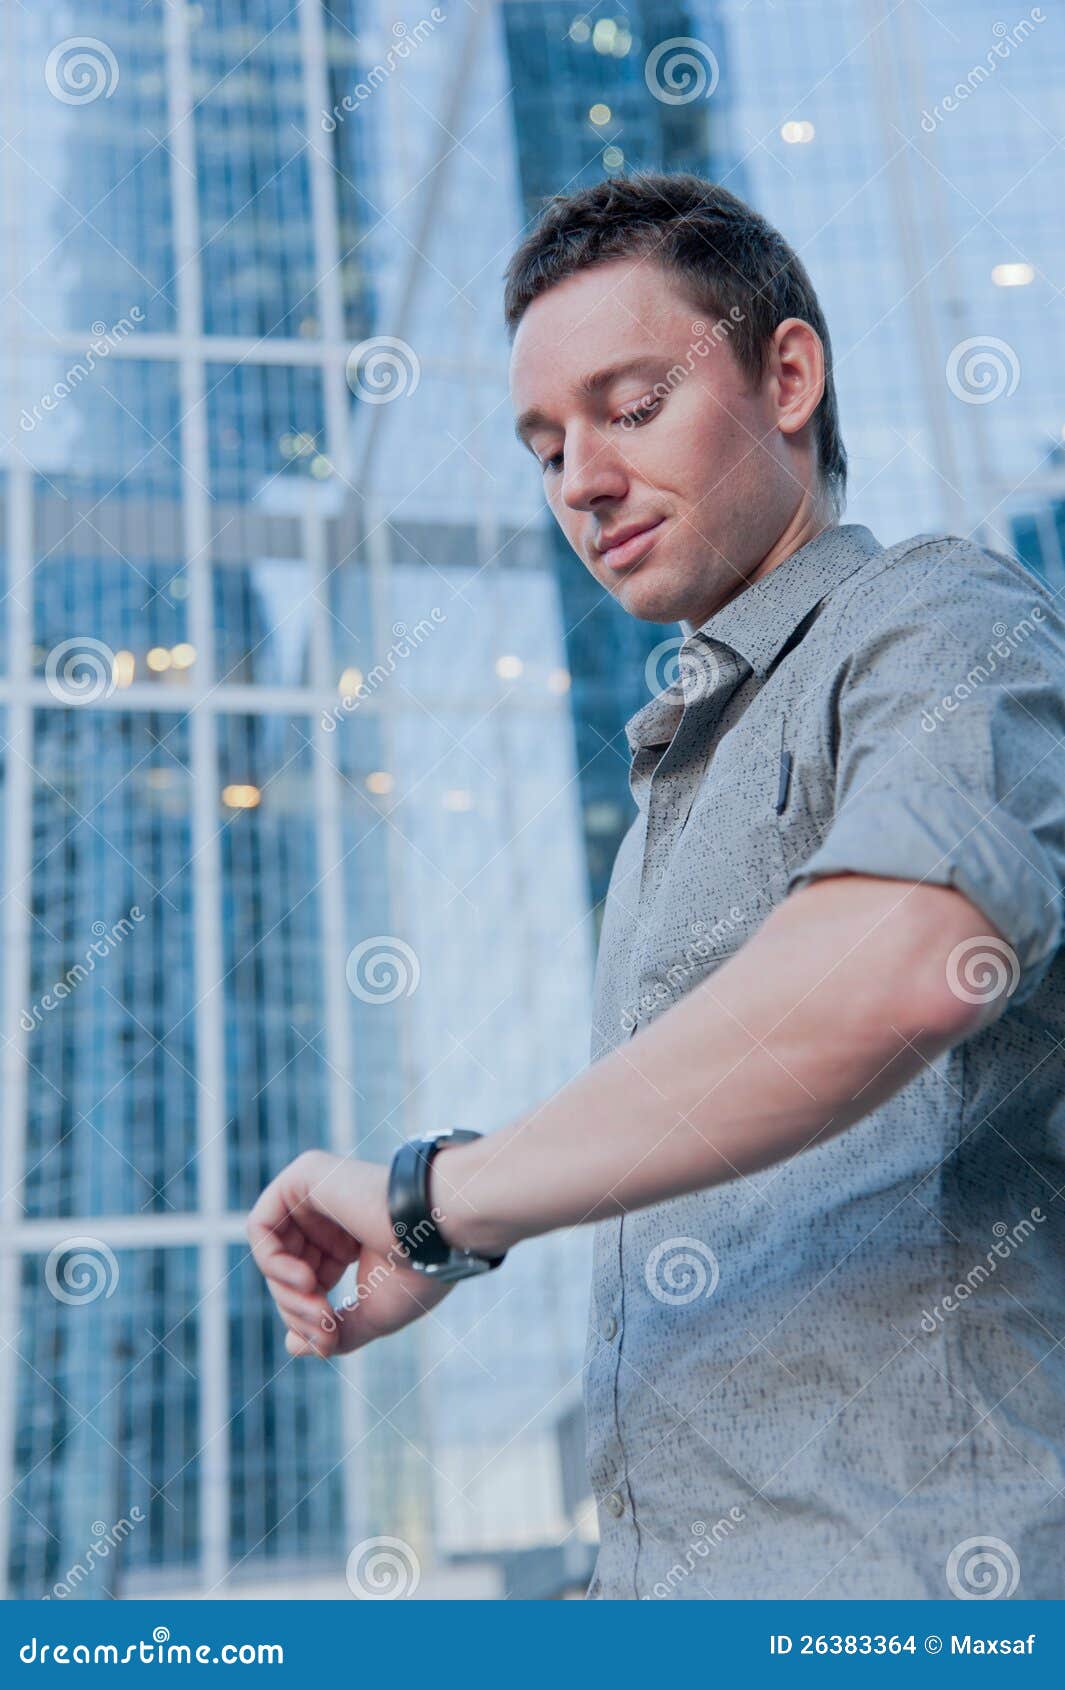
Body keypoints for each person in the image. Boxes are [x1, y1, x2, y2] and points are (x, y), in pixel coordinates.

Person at [248, 173, 1065, 1600]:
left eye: (630, 406)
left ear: (787, 374)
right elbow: (742, 1094)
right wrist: (454, 1223)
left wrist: (446, 1198)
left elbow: (907, 956)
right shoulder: (673, 785)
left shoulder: (936, 618)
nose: (580, 478)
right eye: (543, 444)